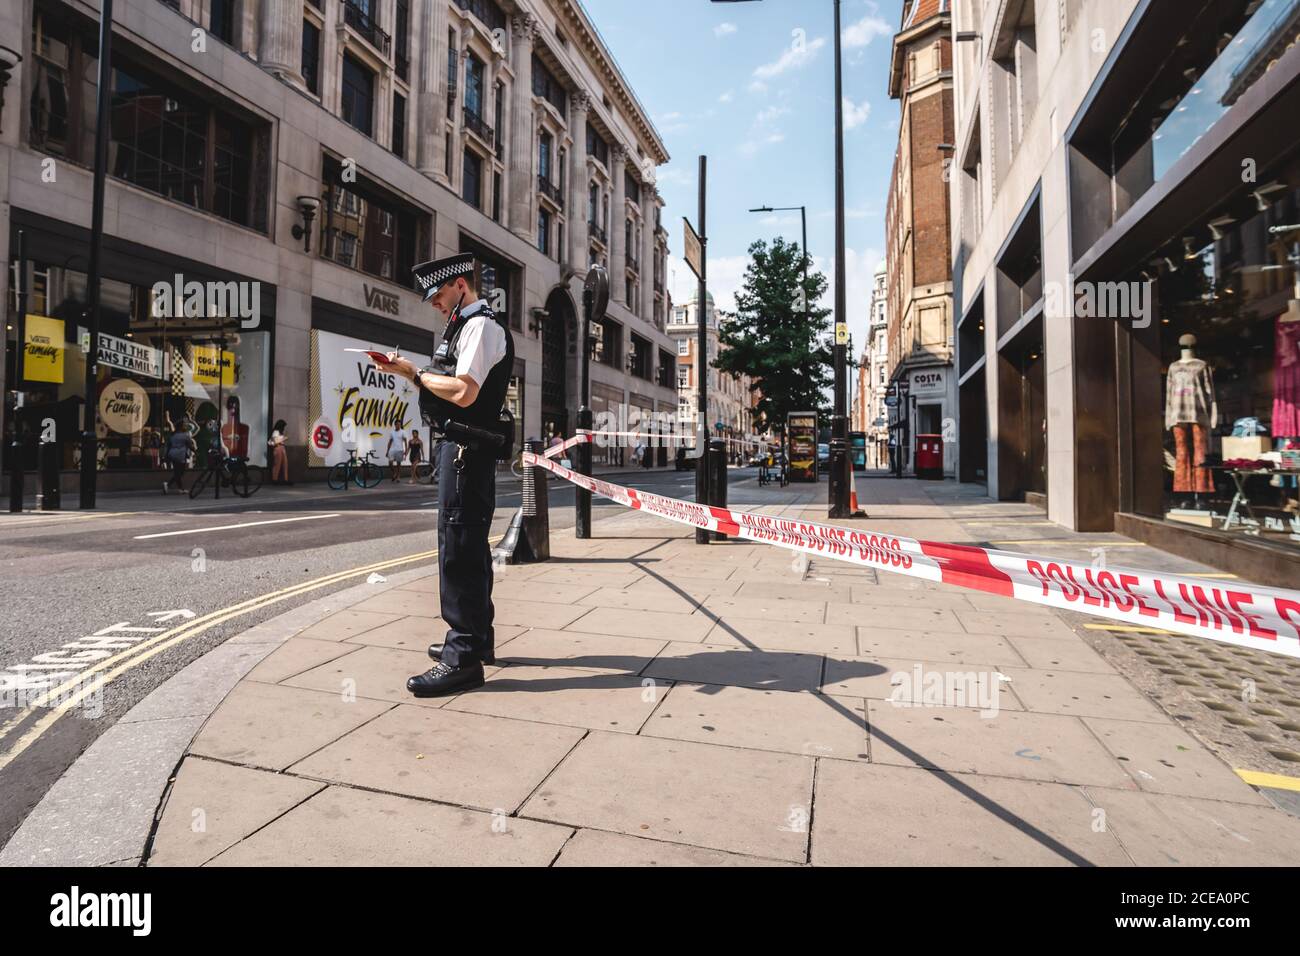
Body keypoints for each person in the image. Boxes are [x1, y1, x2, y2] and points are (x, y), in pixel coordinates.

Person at [380, 252, 514, 697]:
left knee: (458, 550)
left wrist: (413, 374)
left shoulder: (479, 326)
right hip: (463, 450)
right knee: (470, 547)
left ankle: (463, 658)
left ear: (460, 284)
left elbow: (462, 390)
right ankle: (477, 640)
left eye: (438, 296)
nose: (435, 304)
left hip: (465, 450)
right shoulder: (466, 325)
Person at [162, 419, 196, 494]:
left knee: (177, 472)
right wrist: (195, 451)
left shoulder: (173, 435)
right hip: (180, 455)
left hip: (172, 454)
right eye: (184, 425)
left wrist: (166, 456)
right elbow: (190, 445)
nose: (186, 426)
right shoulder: (185, 435)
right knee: (180, 472)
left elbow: (169, 445)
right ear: (181, 427)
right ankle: (168, 484)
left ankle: (180, 489)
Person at [268, 419, 291, 485]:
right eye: (283, 426)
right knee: (277, 464)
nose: (284, 428)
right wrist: (284, 438)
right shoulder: (276, 432)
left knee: (285, 464)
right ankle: (275, 479)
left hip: (281, 447)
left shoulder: (279, 432)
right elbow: (273, 441)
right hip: (278, 447)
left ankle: (285, 479)